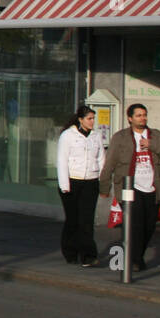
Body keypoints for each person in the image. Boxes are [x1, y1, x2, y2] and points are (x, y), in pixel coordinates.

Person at [99, 103, 160, 272]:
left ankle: (136, 257)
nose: (142, 118)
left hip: (152, 188)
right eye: (138, 115)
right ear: (130, 118)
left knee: (149, 226)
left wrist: (152, 145)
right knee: (135, 225)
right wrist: (104, 187)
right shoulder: (120, 137)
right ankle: (135, 261)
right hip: (130, 188)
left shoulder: (156, 136)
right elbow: (110, 164)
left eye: (144, 115)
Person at [56, 106, 106, 266]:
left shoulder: (96, 136)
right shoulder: (68, 136)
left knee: (86, 220)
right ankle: (70, 251)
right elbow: (62, 160)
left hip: (90, 182)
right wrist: (65, 185)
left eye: (93, 118)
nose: (92, 122)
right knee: (73, 219)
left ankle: (88, 256)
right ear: (80, 119)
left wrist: (101, 180)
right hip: (72, 181)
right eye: (89, 118)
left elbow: (101, 159)